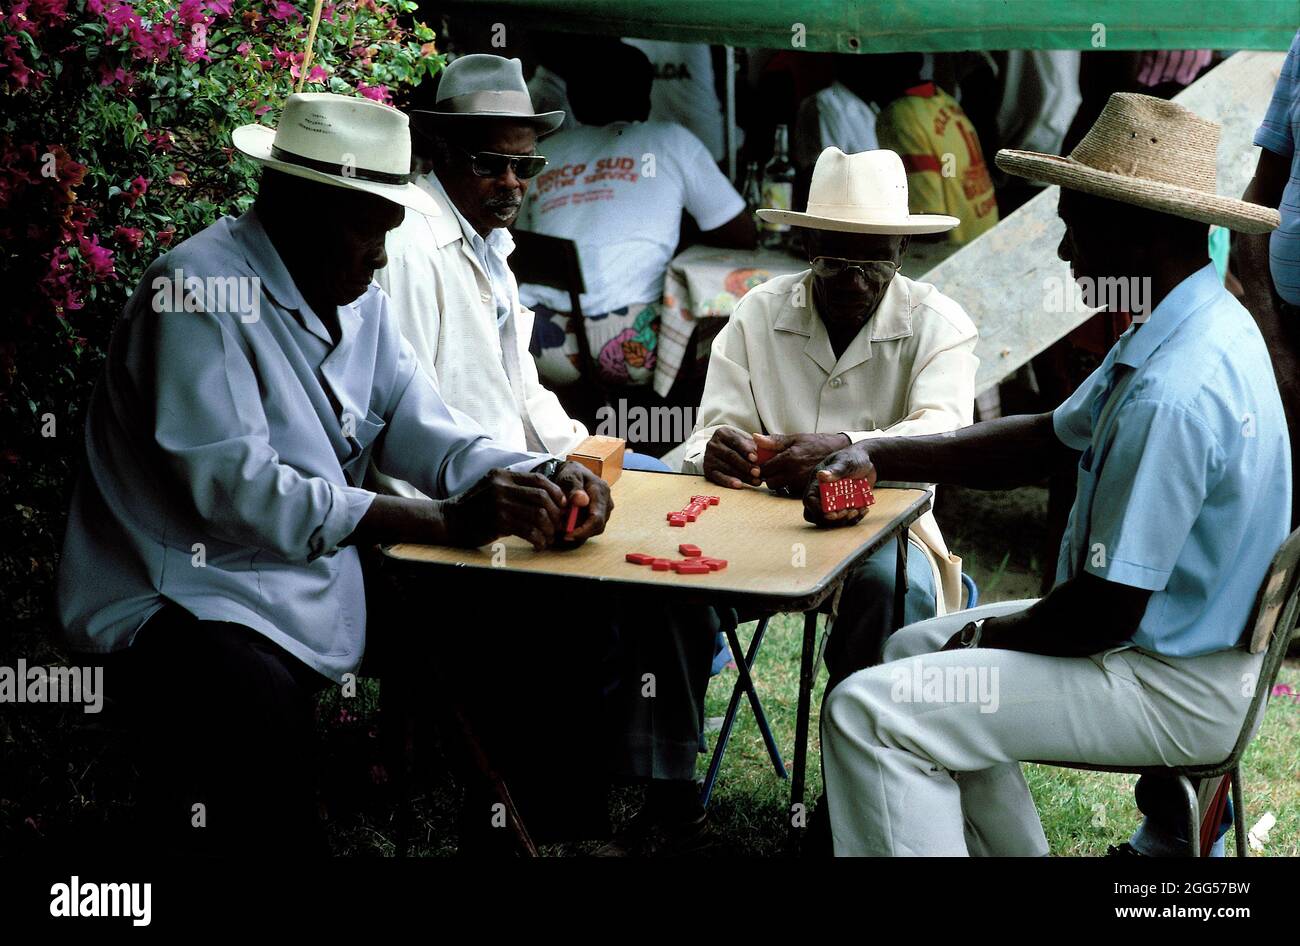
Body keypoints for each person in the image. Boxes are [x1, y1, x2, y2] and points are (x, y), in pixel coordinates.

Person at [55, 92, 614, 855]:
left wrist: (542, 473)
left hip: (308, 580)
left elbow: (434, 437)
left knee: (519, 615)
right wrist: (441, 520)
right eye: (366, 228)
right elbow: (236, 490)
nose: (382, 255)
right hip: (184, 597)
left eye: (389, 229)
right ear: (292, 204)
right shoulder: (193, 291)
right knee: (249, 706)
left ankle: (529, 834)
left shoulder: (359, 300)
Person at [814, 93, 1287, 856]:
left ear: (1135, 232)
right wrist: (872, 450)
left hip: (1168, 686)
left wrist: (987, 633)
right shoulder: (1194, 324)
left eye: (1075, 225)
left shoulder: (1177, 389)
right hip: (1171, 656)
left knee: (870, 711)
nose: (1064, 250)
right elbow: (1044, 437)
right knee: (905, 654)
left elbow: (1100, 616)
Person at [373, 54, 719, 855]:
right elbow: (413, 427)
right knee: (579, 605)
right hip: (443, 512)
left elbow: (525, 392)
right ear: (440, 153)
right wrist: (541, 477)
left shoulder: (488, 241)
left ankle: (653, 788)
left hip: (507, 478)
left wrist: (589, 459)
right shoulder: (414, 244)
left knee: (666, 525)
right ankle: (549, 821)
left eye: (525, 164)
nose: (514, 182)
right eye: (492, 164)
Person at [682, 146, 977, 689]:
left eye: (875, 265)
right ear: (807, 244)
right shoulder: (759, 311)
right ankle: (664, 759)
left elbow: (944, 439)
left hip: (881, 528)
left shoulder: (939, 324)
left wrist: (848, 447)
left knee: (896, 593)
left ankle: (864, 751)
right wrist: (714, 452)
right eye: (835, 263)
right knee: (665, 587)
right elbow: (708, 434)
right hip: (753, 520)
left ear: (903, 249)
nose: (854, 282)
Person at [517, 42, 754, 392]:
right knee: (735, 315)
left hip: (539, 343)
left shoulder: (545, 153)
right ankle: (680, 434)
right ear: (647, 96)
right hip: (633, 345)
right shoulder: (670, 140)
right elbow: (742, 234)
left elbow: (524, 241)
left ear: (576, 100)